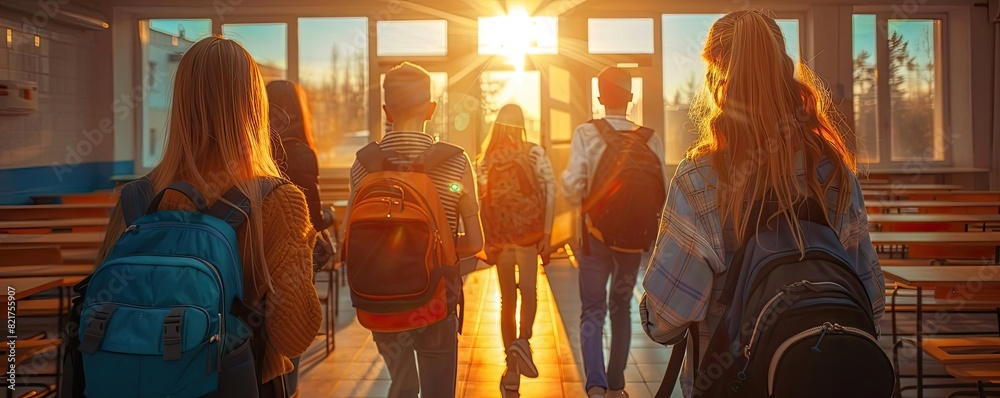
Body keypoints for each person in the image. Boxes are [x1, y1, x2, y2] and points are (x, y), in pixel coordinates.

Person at [639, 10, 885, 397]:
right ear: (785, 71)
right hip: (824, 378)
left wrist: (647, 310)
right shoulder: (834, 173)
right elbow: (871, 300)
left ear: (715, 79)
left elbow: (667, 318)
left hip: (732, 382)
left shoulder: (700, 179)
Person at [93, 36, 322, 397]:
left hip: (134, 382)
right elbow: (293, 335)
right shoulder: (278, 202)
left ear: (181, 103)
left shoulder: (137, 198)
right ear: (253, 106)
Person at [346, 61, 484, 398]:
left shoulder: (363, 163)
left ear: (385, 111)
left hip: (381, 301)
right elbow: (477, 241)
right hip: (436, 299)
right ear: (432, 109)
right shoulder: (456, 161)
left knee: (403, 385)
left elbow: (350, 241)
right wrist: (439, 249)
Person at [561, 67, 668, 398]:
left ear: (599, 98)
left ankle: (595, 385)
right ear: (631, 98)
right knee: (621, 305)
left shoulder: (585, 133)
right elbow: (661, 190)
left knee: (592, 310)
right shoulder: (651, 138)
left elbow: (572, 185)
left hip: (595, 239)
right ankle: (617, 384)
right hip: (633, 243)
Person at [476, 104, 556, 395]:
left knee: (506, 300)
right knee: (530, 292)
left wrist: (486, 239)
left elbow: (480, 200)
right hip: (527, 235)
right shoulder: (534, 153)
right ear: (521, 124)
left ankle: (511, 368)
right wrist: (547, 234)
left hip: (500, 235)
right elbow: (551, 190)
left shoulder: (485, 159)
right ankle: (523, 341)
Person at [264, 80, 334, 397]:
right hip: (292, 264)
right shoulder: (301, 152)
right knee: (288, 335)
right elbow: (314, 220)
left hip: (255, 261)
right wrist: (331, 216)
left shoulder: (253, 151)